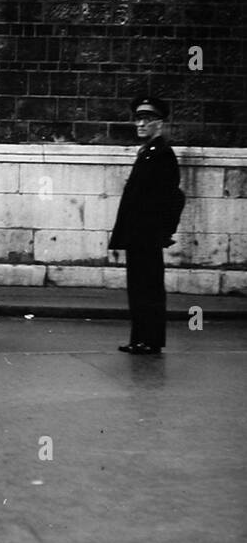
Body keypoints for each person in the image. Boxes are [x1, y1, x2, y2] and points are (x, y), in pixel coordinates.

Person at [109, 96, 182, 356]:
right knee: (139, 288)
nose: (140, 124)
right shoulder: (148, 152)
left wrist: (164, 232)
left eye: (147, 120)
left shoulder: (162, 154)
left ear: (159, 124)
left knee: (148, 289)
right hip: (138, 234)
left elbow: (173, 198)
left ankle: (150, 340)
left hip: (147, 234)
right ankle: (140, 339)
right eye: (138, 119)